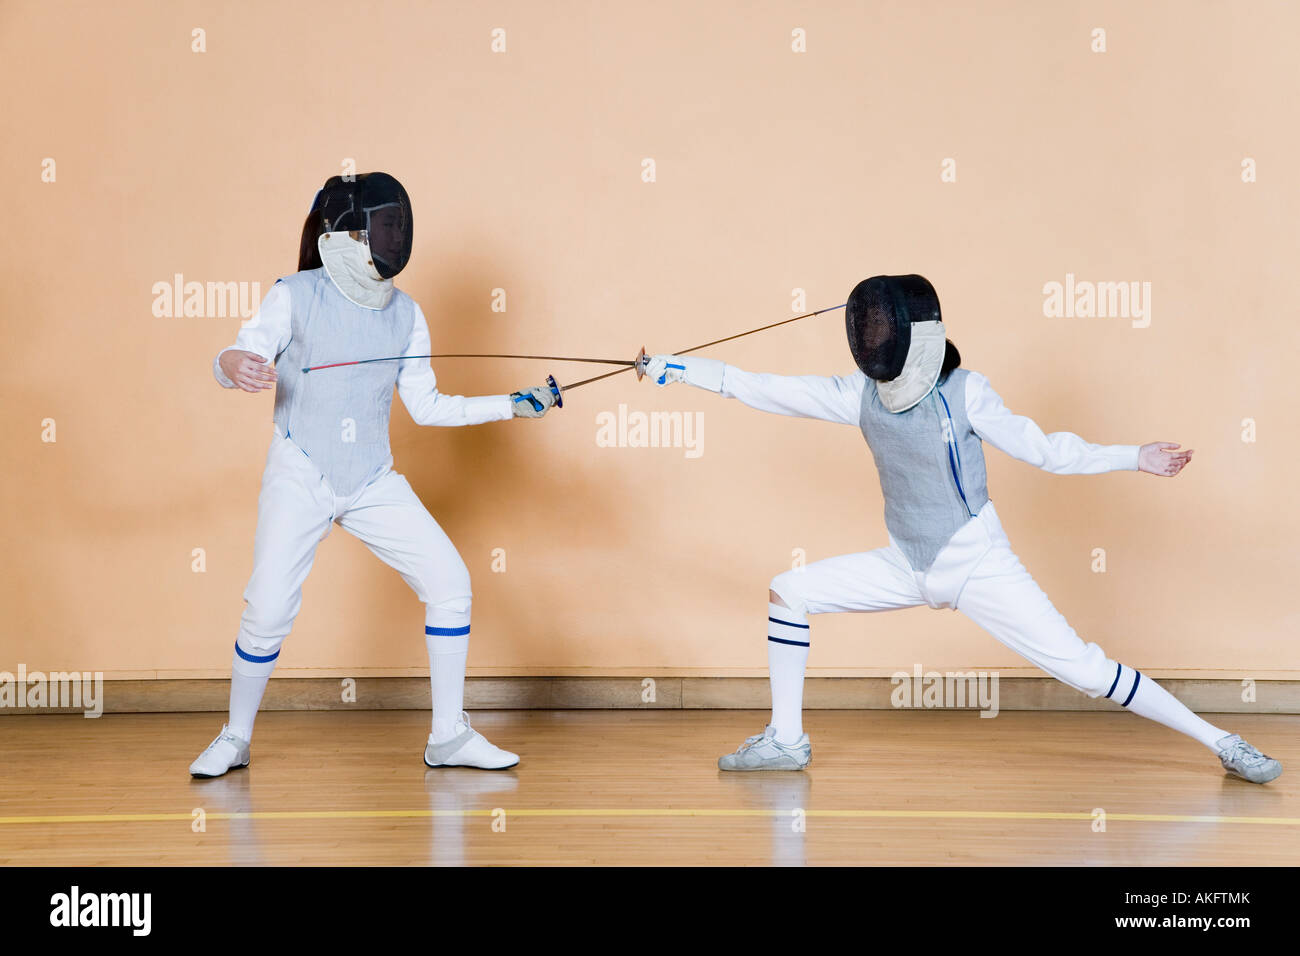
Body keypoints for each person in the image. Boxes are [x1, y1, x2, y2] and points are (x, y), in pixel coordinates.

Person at [643, 274, 1282, 784]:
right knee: (792, 590)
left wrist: (1131, 456)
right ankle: (785, 742)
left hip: (979, 566)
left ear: (912, 336)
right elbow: (760, 387)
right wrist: (674, 368)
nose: (870, 339)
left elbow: (1048, 452)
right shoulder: (857, 395)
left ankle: (1224, 742)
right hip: (905, 563)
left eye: (880, 328)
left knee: (1085, 671)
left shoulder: (967, 393)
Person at [190, 172, 557, 777]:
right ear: (346, 234)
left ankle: (448, 736)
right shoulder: (295, 293)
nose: (395, 236)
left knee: (450, 581)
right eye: (386, 225)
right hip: (300, 469)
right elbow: (237, 355)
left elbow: (429, 406)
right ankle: (235, 736)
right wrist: (230, 363)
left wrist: (510, 405)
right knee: (268, 607)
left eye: (398, 226)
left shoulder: (406, 314)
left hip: (370, 479)